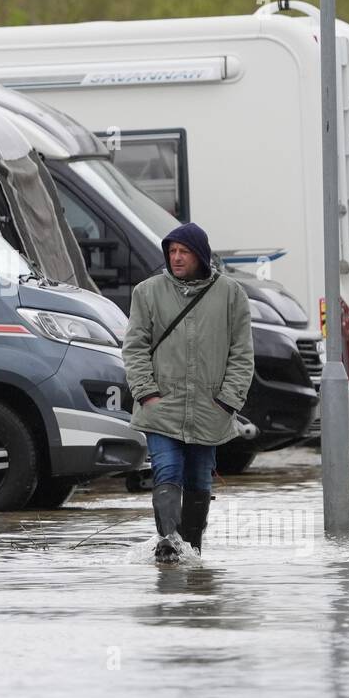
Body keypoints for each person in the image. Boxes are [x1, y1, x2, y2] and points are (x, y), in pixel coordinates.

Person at [123, 222, 254, 563]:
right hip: (161, 406)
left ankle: (192, 548)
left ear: (201, 255)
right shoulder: (147, 292)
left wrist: (227, 400)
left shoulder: (231, 294)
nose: (176, 258)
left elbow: (242, 353)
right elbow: (134, 348)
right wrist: (146, 393)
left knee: (198, 479)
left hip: (210, 408)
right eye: (172, 252)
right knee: (166, 471)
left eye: (184, 252)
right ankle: (168, 542)